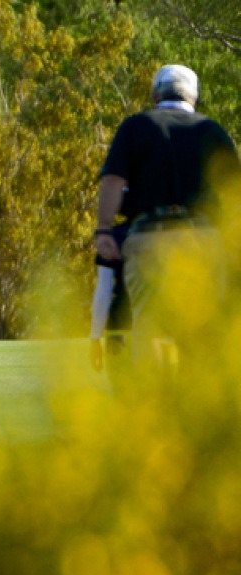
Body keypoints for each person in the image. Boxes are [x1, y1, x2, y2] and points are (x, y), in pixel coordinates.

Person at [96, 64, 241, 372]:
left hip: (148, 238)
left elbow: (113, 181)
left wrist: (104, 230)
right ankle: (194, 412)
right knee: (201, 331)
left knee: (149, 328)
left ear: (155, 95)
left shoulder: (134, 127)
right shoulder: (212, 130)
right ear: (194, 98)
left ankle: (154, 409)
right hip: (202, 240)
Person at [88, 221, 131, 384]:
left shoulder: (113, 237)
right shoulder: (163, 232)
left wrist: (95, 337)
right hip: (154, 325)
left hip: (119, 325)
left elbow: (103, 292)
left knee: (121, 395)